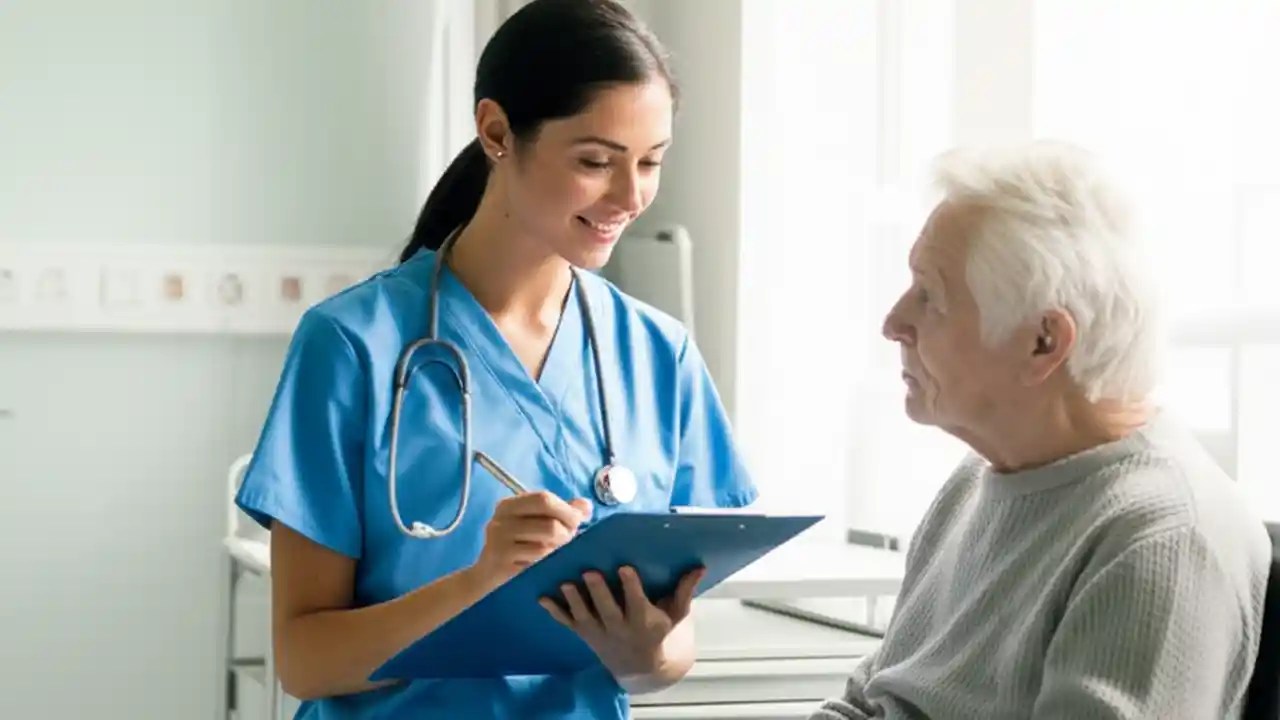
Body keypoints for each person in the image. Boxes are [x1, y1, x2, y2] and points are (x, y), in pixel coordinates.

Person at [233, 1, 757, 717]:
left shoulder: (659, 356)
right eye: (596, 161)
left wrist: (648, 654)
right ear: (497, 132)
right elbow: (305, 660)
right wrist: (479, 580)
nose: (631, 196)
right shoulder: (353, 344)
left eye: (651, 162)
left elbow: (670, 651)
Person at [811, 141, 1271, 719]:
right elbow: (875, 700)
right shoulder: (976, 481)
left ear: (1043, 342)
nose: (894, 322)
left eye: (930, 296)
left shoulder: (1162, 537)